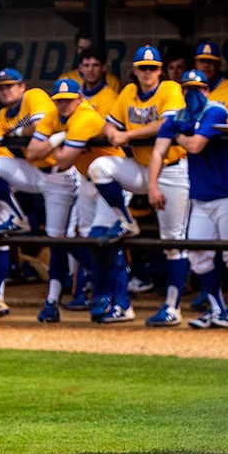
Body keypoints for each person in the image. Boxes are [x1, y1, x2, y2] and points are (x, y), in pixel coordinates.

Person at [87, 44, 189, 324]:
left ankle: (172, 306)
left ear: (160, 70)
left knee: (172, 240)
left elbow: (167, 125)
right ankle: (125, 220)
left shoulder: (170, 89)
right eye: (143, 68)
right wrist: (112, 133)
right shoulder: (129, 92)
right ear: (134, 70)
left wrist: (128, 134)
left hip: (172, 170)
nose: (148, 72)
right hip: (143, 169)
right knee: (100, 167)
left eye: (152, 68)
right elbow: (109, 123)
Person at [148, 69, 228, 329]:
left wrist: (176, 134)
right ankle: (217, 309)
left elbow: (194, 145)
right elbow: (158, 152)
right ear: (182, 92)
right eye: (188, 88)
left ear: (207, 91)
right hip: (201, 197)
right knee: (197, 255)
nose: (194, 92)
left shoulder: (215, 110)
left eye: (199, 88)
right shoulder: (179, 116)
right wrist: (152, 186)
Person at [25, 77, 122, 323]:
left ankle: (114, 296)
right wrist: (58, 139)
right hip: (87, 180)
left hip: (112, 179)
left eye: (69, 100)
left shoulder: (85, 116)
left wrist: (54, 141)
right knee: (67, 240)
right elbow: (31, 153)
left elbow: (64, 161)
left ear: (80, 98)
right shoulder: (53, 115)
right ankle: (59, 299)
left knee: (99, 239)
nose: (64, 105)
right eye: (60, 101)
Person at [0, 67, 57, 317]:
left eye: (10, 86)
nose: (5, 91)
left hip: (65, 174)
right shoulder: (3, 115)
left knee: (70, 238)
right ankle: (6, 218)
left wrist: (14, 132)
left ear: (22, 86)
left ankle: (92, 291)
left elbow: (41, 127)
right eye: (1, 88)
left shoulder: (34, 96)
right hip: (35, 173)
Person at [193, 40, 228, 113]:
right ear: (195, 64)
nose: (206, 65)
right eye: (202, 61)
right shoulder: (188, 89)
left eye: (211, 61)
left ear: (219, 64)